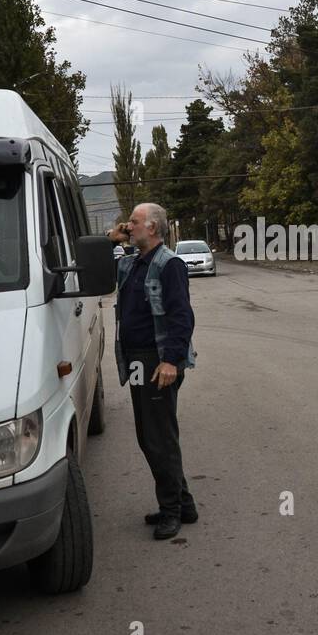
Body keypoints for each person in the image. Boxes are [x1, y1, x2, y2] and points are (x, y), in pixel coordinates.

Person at [106, 203, 198, 540]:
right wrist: (111, 239)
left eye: (134, 221)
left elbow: (181, 316)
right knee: (151, 437)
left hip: (157, 362)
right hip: (135, 360)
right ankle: (184, 503)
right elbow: (100, 272)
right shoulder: (132, 263)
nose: (128, 226)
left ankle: (172, 511)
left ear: (153, 228)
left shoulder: (168, 264)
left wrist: (171, 360)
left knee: (159, 439)